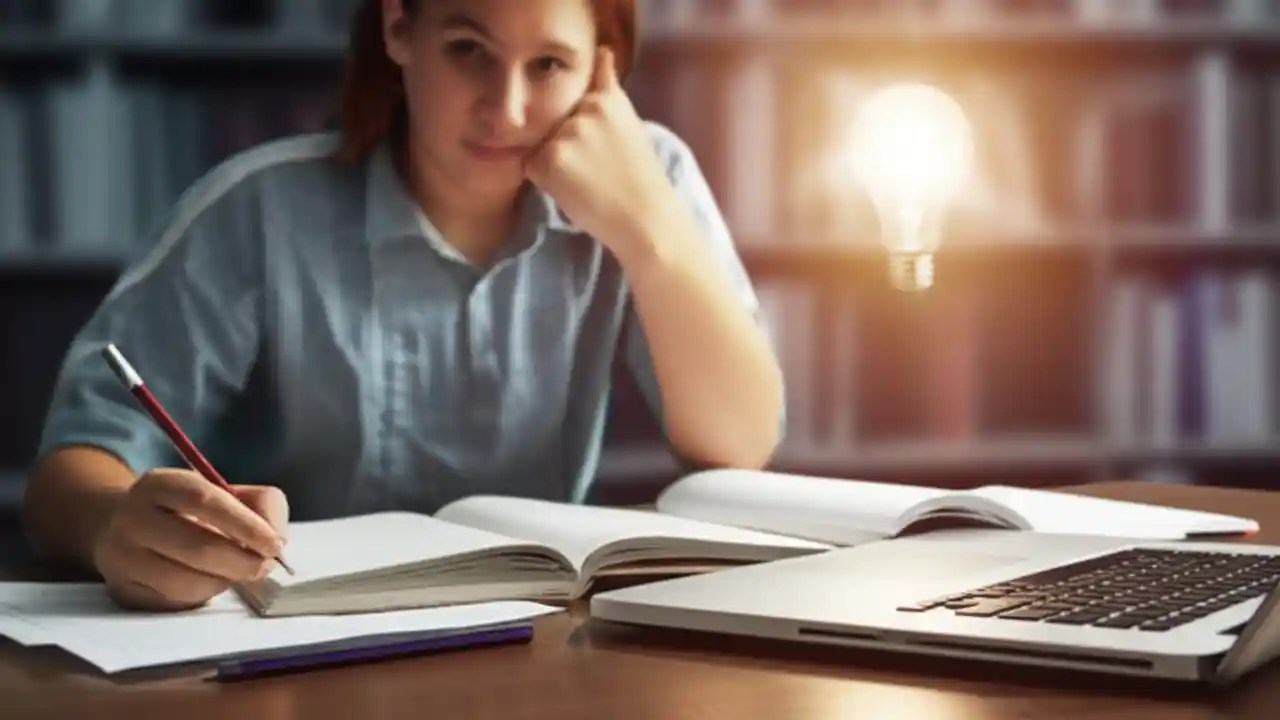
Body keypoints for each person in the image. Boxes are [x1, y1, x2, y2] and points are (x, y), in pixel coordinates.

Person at [22, 0, 783, 612]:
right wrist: (112, 527)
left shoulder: (650, 182)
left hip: (536, 642)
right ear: (398, 27)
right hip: (285, 642)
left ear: (601, 70)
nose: (507, 108)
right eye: (467, 49)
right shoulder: (258, 210)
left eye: (549, 64)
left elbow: (738, 445)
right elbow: (69, 471)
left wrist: (647, 230)